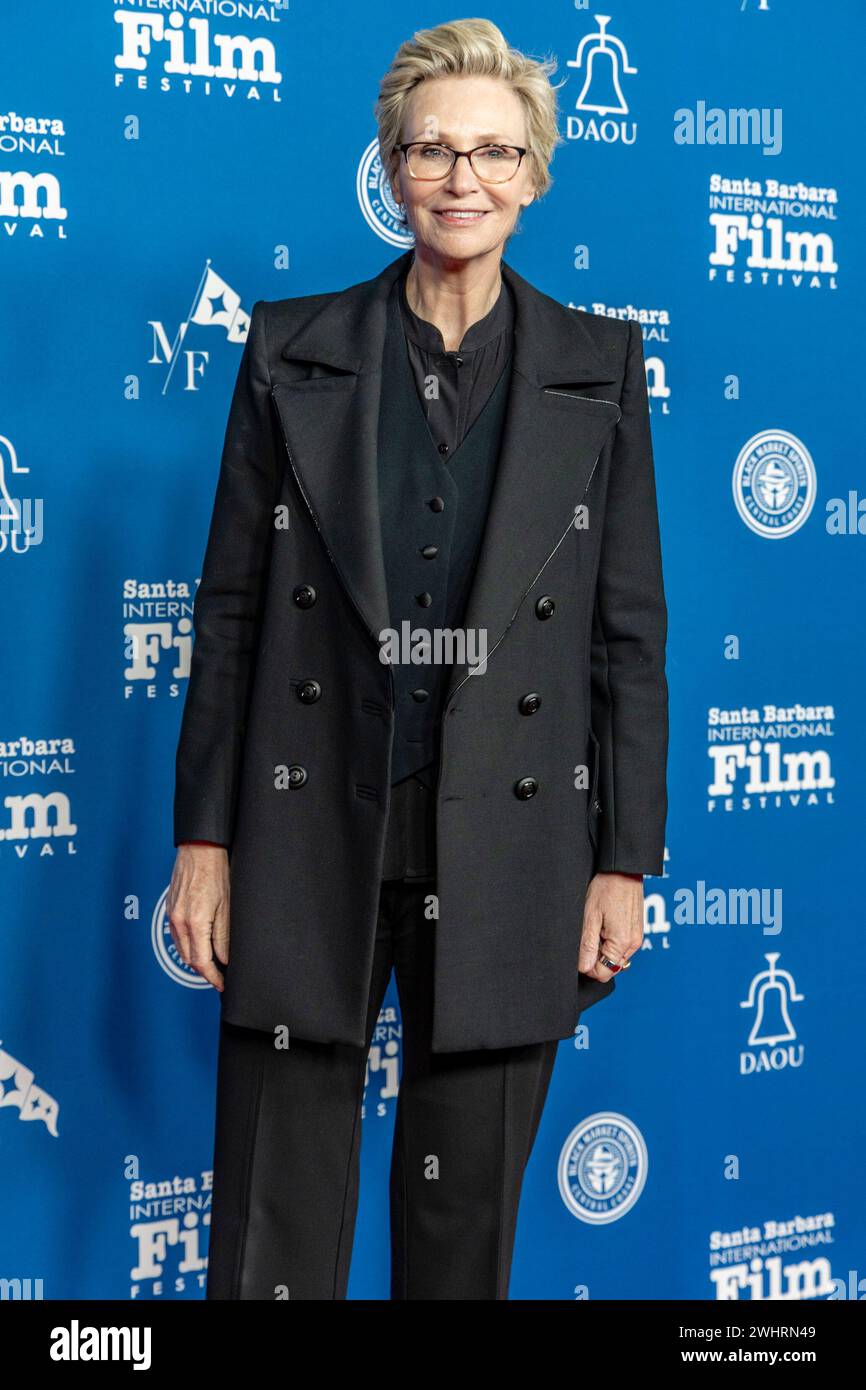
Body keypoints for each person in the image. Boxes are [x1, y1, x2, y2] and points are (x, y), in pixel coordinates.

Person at [168, 17, 668, 1301]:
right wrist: (204, 842)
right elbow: (228, 610)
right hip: (305, 835)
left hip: (509, 849)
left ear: (536, 174)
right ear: (390, 167)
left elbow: (626, 630)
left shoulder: (597, 366)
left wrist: (623, 860)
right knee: (269, 1241)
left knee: (461, 1250)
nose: (464, 179)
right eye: (434, 150)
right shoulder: (292, 349)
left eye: (494, 151)